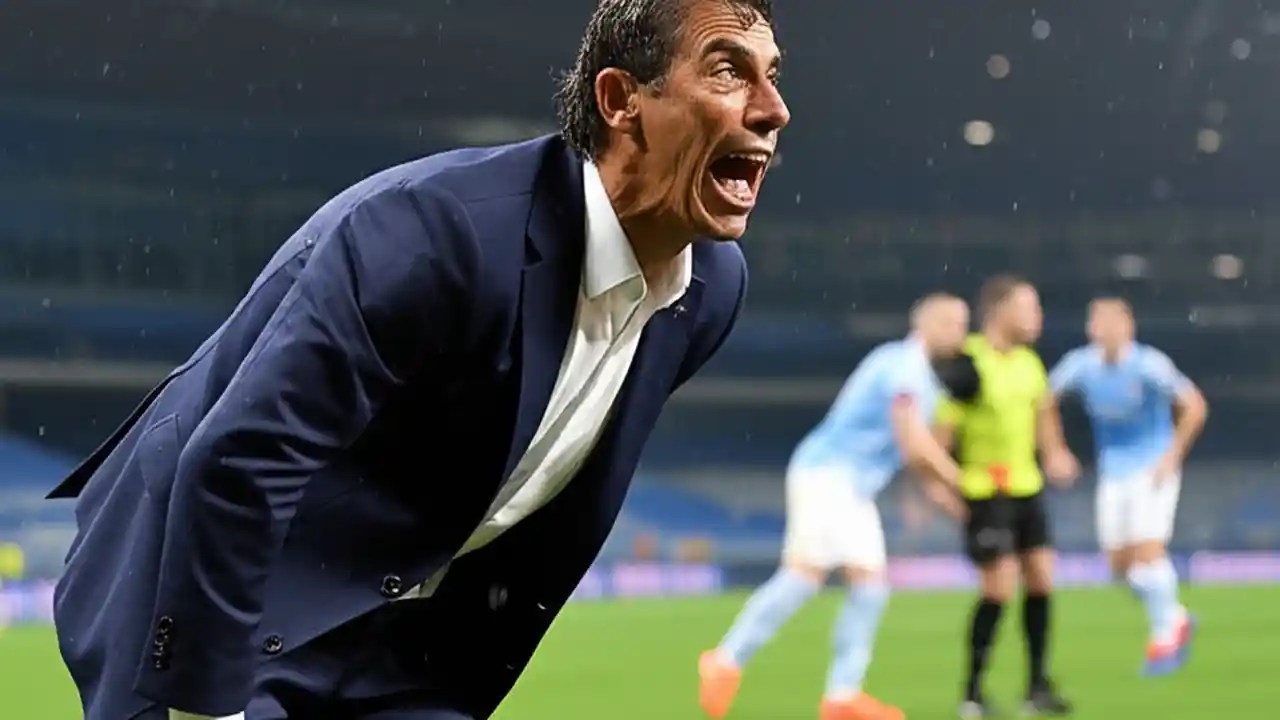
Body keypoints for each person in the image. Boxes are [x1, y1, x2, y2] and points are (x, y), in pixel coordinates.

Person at [47, 1, 790, 718]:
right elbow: (241, 462)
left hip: (394, 644)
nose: (773, 109)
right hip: (192, 579)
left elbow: (485, 448)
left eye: (773, 75)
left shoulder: (709, 291)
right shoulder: (440, 235)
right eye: (728, 72)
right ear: (621, 98)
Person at [699, 294, 971, 720]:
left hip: (851, 488)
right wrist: (966, 484)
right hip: (828, 475)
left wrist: (962, 507)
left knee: (869, 585)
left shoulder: (926, 384)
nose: (960, 333)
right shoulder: (902, 366)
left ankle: (842, 696)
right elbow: (916, 447)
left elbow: (921, 463)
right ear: (927, 324)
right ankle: (725, 660)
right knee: (805, 577)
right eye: (953, 323)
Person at [932, 275, 1079, 719]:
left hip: (1026, 488)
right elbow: (941, 434)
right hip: (985, 491)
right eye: (1029, 307)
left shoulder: (1030, 364)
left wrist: (1055, 452)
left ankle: (1037, 685)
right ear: (1000, 311)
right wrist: (943, 488)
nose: (1037, 317)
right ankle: (972, 693)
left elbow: (1044, 414)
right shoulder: (968, 364)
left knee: (1041, 580)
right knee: (998, 588)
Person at [1049, 298, 1206, 676]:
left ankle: (1163, 636)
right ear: (1090, 328)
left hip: (1152, 468)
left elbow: (1195, 405)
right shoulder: (1080, 365)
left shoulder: (1150, 365)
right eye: (1098, 322)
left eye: (1112, 321)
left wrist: (1172, 454)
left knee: (1148, 551)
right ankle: (1177, 616)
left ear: (1128, 325)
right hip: (1113, 471)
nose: (1105, 329)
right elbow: (1044, 400)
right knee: (1120, 568)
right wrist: (1054, 449)